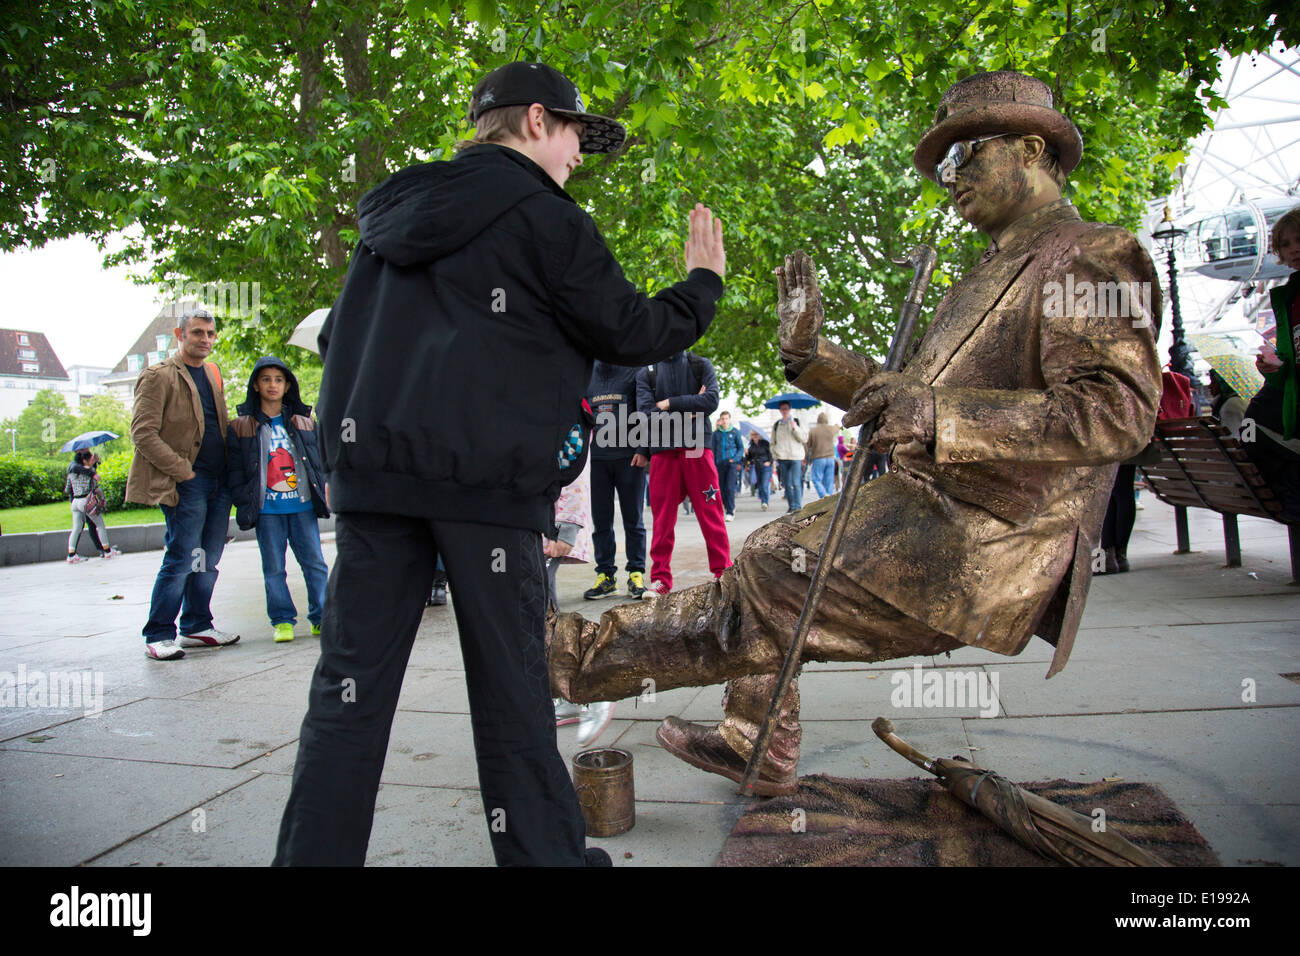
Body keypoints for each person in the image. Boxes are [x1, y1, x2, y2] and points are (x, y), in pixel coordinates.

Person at [549, 70, 1162, 797]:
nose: (951, 179)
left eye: (966, 156)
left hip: (994, 530)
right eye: (943, 166)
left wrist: (941, 417)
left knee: (774, 573)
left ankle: (567, 659)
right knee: (775, 559)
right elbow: (903, 393)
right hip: (936, 506)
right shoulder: (995, 268)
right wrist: (813, 355)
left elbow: (1118, 412)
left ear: (1031, 148)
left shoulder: (1088, 253)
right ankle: (755, 737)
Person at [274, 61, 726, 867]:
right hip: (486, 494)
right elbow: (631, 332)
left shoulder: (386, 223)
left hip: (375, 489)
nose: (580, 158)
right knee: (513, 696)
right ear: (535, 121)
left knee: (346, 696)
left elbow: (345, 343)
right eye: (576, 137)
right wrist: (702, 285)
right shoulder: (546, 220)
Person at [126, 307, 241, 661]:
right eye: (197, 333)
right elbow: (142, 433)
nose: (205, 339)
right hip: (186, 482)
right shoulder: (159, 375)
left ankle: (196, 625)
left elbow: (216, 425)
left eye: (210, 333)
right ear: (180, 335)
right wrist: (181, 470)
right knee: (181, 557)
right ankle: (159, 633)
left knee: (207, 558)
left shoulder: (212, 373)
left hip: (218, 481)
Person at [226, 356, 330, 643]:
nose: (273, 385)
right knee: (273, 567)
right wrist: (242, 496)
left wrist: (324, 488)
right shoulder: (241, 426)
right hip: (267, 510)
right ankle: (282, 620)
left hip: (302, 506)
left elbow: (320, 462)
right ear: (256, 385)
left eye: (279, 379)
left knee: (315, 563)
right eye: (266, 379)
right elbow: (234, 469)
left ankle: (322, 617)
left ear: (287, 386)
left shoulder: (304, 423)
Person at [636, 351, 732, 598]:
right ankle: (660, 579)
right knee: (662, 520)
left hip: (697, 448)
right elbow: (647, 415)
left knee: (711, 513)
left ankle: (723, 572)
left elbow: (710, 401)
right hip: (664, 452)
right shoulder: (647, 372)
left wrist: (668, 404)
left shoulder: (701, 364)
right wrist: (691, 408)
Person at [545, 458, 615, 745]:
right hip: (513, 521)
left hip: (543, 526)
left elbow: (572, 455)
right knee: (531, 615)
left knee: (539, 615)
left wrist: (567, 525)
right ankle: (570, 691)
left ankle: (593, 687)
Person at [1244, 205, 1300, 521]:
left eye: (1299, 240)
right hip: (1290, 390)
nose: (1294, 249)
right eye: (1287, 244)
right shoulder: (1287, 296)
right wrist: (1275, 368)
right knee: (1254, 421)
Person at [584, 361, 649, 600]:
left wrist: (643, 448)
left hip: (629, 458)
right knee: (601, 522)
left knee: (634, 520)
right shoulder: (586, 372)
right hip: (596, 460)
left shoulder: (634, 371)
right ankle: (606, 576)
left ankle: (636, 573)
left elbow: (643, 410)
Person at [64, 449, 117, 562]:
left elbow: (67, 489)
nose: (92, 461)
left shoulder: (71, 472)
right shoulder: (89, 472)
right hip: (86, 501)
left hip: (75, 503)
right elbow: (95, 486)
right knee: (100, 525)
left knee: (76, 528)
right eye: (90, 459)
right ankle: (107, 551)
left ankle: (71, 555)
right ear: (85, 460)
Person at [770, 400, 808, 512]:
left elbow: (804, 438)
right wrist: (774, 453)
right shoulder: (777, 425)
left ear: (789, 409)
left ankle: (797, 506)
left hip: (795, 457)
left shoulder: (797, 422)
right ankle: (791, 506)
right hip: (782, 457)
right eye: (782, 409)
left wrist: (795, 428)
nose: (784, 411)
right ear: (780, 410)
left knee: (796, 482)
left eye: (786, 408)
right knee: (786, 483)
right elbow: (773, 441)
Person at [711, 411, 746, 522]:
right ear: (720, 420)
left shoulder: (735, 432)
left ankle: (730, 511)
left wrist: (735, 459)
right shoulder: (716, 434)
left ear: (729, 419)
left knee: (730, 488)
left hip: (731, 463)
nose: (724, 421)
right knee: (722, 489)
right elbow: (712, 449)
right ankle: (727, 507)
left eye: (726, 418)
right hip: (719, 464)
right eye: (722, 419)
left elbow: (741, 448)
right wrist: (713, 462)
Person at [806, 411, 838, 499]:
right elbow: (838, 427)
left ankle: (823, 495)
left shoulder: (813, 431)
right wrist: (837, 425)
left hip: (818, 458)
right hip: (831, 458)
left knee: (816, 479)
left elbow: (808, 445)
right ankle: (829, 497)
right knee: (829, 480)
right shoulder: (831, 429)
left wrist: (805, 456)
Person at [744, 429, 773, 510]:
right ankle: (763, 501)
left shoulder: (765, 443)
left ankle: (765, 502)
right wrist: (746, 455)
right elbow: (749, 459)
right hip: (756, 467)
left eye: (756, 434)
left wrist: (769, 462)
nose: (755, 436)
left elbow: (771, 454)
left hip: (766, 466)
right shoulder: (750, 445)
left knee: (764, 485)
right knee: (759, 485)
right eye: (753, 434)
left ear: (759, 435)